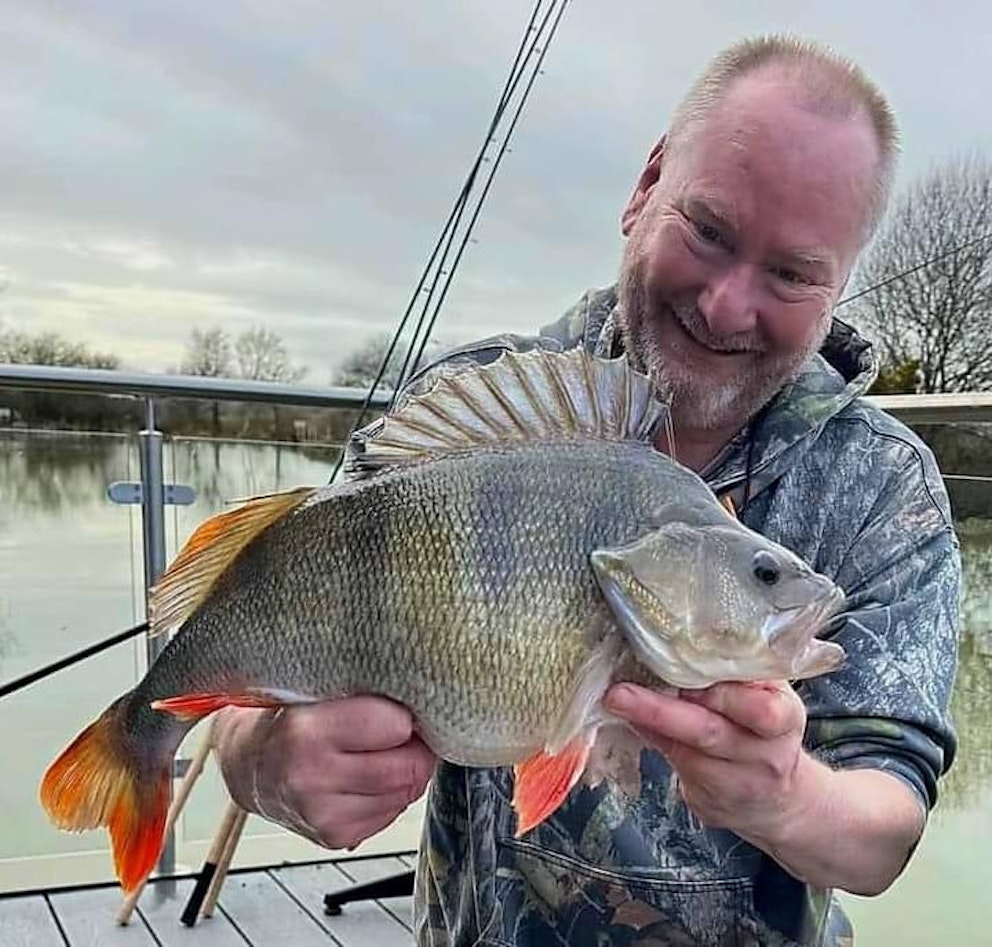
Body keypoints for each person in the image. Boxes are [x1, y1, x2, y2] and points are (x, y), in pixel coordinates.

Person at [211, 34, 960, 945]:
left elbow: (885, 833)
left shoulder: (883, 487)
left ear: (840, 282)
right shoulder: (469, 412)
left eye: (792, 273)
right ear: (646, 186)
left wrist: (792, 799)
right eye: (709, 230)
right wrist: (262, 761)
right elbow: (265, 644)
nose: (726, 304)